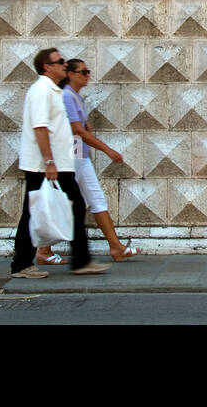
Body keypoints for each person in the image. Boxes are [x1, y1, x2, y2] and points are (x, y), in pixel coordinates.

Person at [10, 47, 108, 278]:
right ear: (47, 66)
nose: (65, 65)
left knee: (73, 206)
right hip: (45, 166)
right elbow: (40, 128)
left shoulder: (54, 91)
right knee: (34, 212)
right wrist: (49, 162)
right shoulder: (41, 91)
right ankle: (22, 264)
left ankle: (80, 260)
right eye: (60, 61)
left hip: (60, 164)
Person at [35, 58, 139, 264]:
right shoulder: (67, 96)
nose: (87, 75)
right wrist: (107, 150)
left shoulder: (75, 97)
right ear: (71, 74)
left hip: (79, 157)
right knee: (75, 203)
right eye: (83, 72)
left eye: (88, 71)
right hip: (72, 158)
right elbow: (76, 130)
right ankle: (45, 250)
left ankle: (114, 246)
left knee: (91, 201)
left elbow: (77, 127)